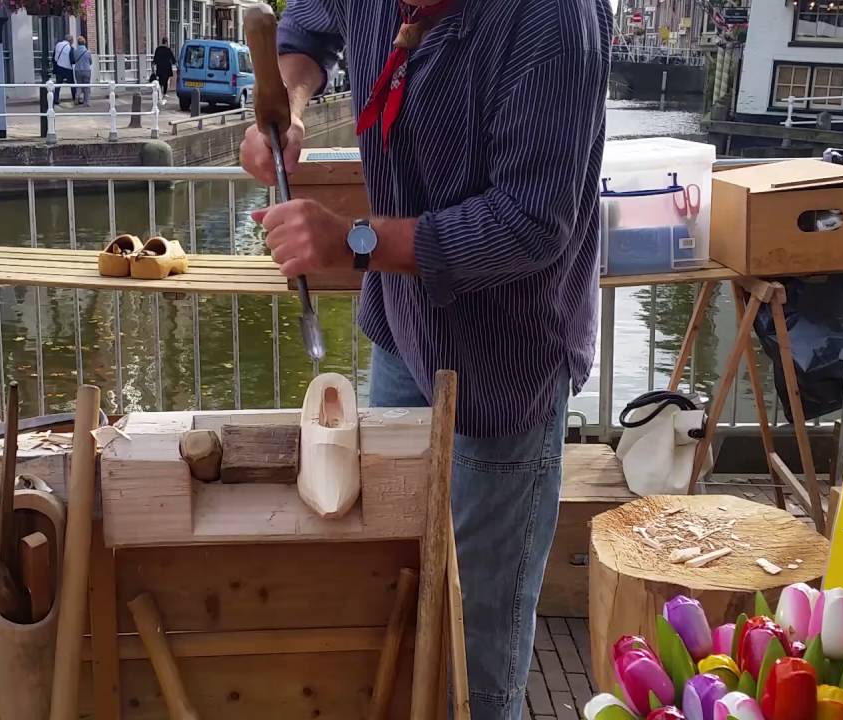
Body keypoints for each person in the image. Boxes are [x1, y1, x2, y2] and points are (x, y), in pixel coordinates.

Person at [239, 0, 609, 717]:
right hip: (405, 332)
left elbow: (532, 224)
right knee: (398, 579)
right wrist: (287, 92)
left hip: (507, 359)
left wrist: (355, 244)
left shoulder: (553, 19)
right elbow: (312, 19)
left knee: (475, 632)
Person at [53, 34, 77, 105]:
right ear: (71, 41)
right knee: (72, 84)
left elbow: (54, 56)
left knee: (58, 84)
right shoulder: (70, 48)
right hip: (67, 68)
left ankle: (56, 99)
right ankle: (74, 98)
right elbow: (72, 60)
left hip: (58, 67)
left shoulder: (58, 45)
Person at [72, 36, 93, 107]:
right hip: (86, 70)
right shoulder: (88, 52)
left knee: (79, 85)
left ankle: (77, 97)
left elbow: (74, 60)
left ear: (78, 43)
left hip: (78, 70)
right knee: (86, 86)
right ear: (84, 43)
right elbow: (90, 62)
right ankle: (86, 102)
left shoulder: (75, 51)